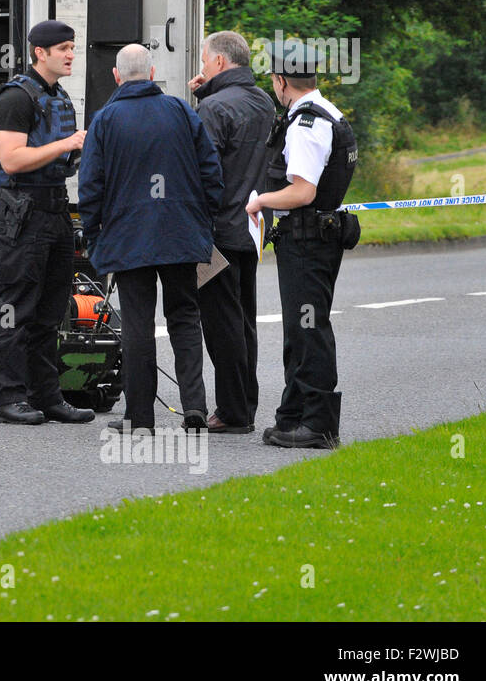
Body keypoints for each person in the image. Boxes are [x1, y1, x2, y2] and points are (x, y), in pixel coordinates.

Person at [78, 43, 223, 433]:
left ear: (116, 75)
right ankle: (195, 408)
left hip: (129, 240)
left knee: (138, 327)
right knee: (185, 318)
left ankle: (140, 418)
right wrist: (203, 219)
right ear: (153, 70)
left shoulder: (105, 120)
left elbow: (90, 186)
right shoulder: (180, 111)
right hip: (180, 234)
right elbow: (211, 170)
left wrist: (93, 235)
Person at [0, 20, 93, 426]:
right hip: (24, 213)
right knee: (16, 309)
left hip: (56, 210)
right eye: (62, 48)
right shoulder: (16, 97)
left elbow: (57, 158)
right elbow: (11, 159)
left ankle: (47, 396)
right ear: (39, 52)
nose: (70, 55)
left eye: (72, 47)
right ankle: (9, 398)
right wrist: (65, 144)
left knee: (50, 312)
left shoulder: (57, 96)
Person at [246, 67, 359, 449]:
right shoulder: (326, 111)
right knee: (300, 329)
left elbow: (302, 192)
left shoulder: (307, 123)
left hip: (308, 241)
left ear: (280, 81)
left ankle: (319, 425)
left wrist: (261, 200)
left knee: (309, 329)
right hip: (314, 238)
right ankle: (292, 416)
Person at [188, 31, 276, 434]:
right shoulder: (264, 102)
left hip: (217, 231)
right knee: (244, 319)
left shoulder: (214, 108)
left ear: (220, 63)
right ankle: (246, 404)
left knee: (221, 322)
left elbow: (205, 172)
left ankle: (233, 411)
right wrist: (206, 96)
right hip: (253, 227)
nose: (202, 68)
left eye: (206, 62)